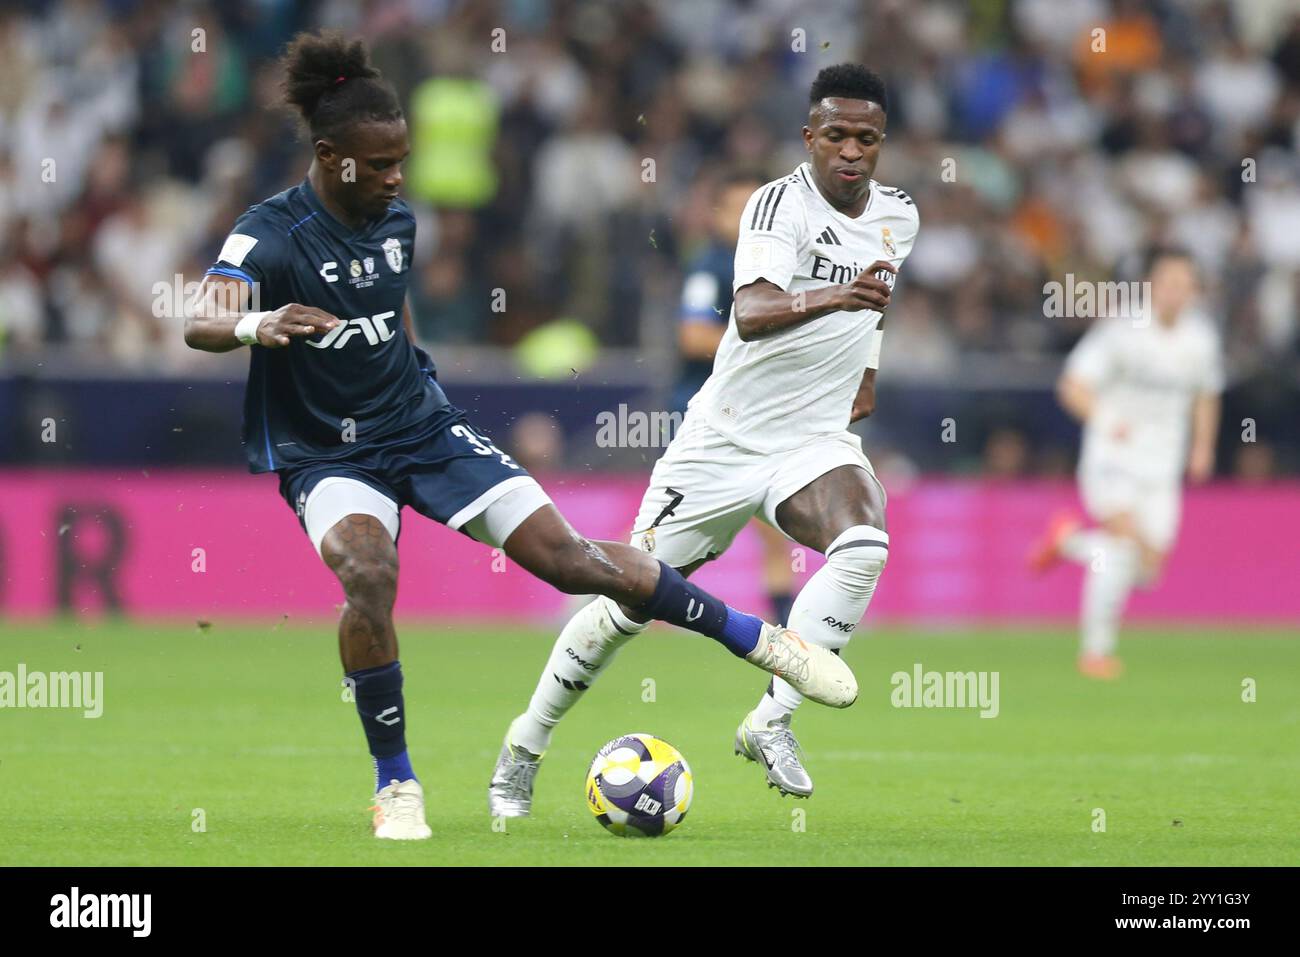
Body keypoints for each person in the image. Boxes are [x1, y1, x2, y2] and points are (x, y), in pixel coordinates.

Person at [183, 32, 856, 840]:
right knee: (367, 571)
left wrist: (408, 375)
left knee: (574, 562)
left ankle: (761, 641)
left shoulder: (396, 221)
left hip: (422, 428)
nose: (400, 176)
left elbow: (392, 319)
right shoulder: (270, 232)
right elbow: (202, 319)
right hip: (329, 453)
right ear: (331, 156)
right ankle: (397, 784)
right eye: (383, 162)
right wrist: (260, 323)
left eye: (404, 157)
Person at [490, 63, 918, 811]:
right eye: (839, 135)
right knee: (626, 602)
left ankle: (771, 720)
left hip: (812, 439)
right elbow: (752, 310)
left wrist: (868, 364)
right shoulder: (775, 206)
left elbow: (875, 300)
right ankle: (525, 743)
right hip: (722, 440)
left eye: (868, 139)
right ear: (809, 137)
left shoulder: (900, 215)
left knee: (865, 545)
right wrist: (839, 295)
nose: (853, 151)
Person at [1030, 247, 1223, 678]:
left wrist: (1203, 447)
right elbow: (1072, 385)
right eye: (1170, 283)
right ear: (1152, 285)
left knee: (1148, 571)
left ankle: (1069, 543)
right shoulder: (1122, 330)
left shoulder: (1202, 337)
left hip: (1163, 466)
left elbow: (1206, 394)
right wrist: (1106, 420)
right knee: (1122, 549)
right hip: (1114, 458)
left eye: (1185, 284)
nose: (1177, 292)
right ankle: (1095, 652)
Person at [673, 171, 798, 627]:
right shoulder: (710, 266)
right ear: (717, 216)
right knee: (672, 533)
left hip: (756, 418)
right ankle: (602, 591)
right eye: (738, 211)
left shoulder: (774, 268)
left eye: (757, 211)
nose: (749, 222)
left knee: (770, 529)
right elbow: (692, 336)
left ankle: (789, 633)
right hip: (704, 415)